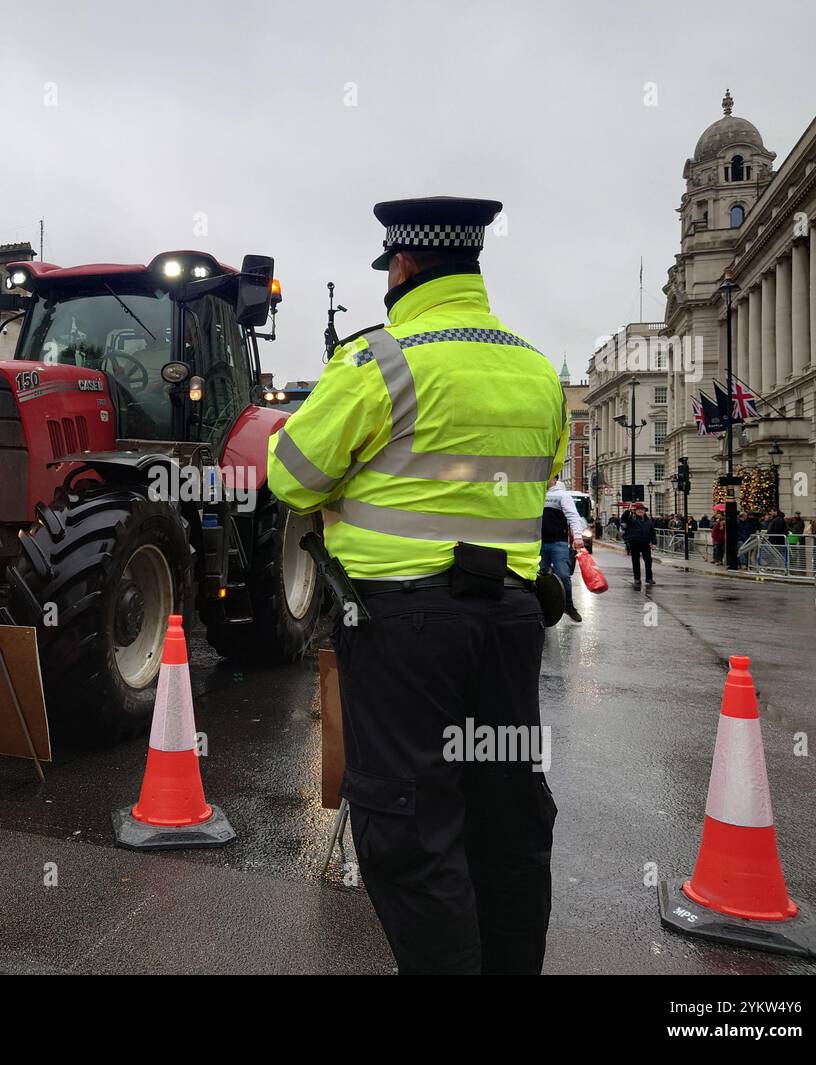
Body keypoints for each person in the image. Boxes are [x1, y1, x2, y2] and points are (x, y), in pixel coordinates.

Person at [268, 196, 566, 975]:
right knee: (507, 818)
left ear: (401, 267)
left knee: (409, 823)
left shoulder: (378, 360)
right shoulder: (537, 370)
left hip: (405, 629)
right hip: (509, 623)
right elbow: (538, 483)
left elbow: (290, 475)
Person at [540, 476, 587, 622]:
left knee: (563, 575)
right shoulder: (537, 493)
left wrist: (578, 537)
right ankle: (541, 608)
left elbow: (573, 516)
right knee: (539, 577)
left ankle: (568, 605)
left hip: (558, 542)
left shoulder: (562, 495)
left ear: (554, 479)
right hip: (539, 542)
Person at [624, 500, 656, 588]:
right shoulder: (631, 519)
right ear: (635, 511)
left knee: (648, 560)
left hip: (645, 543)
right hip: (634, 543)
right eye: (638, 510)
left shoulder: (649, 521)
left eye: (642, 510)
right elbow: (624, 518)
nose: (640, 511)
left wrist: (654, 543)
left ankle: (649, 578)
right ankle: (637, 579)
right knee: (636, 561)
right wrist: (628, 510)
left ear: (645, 511)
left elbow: (652, 533)